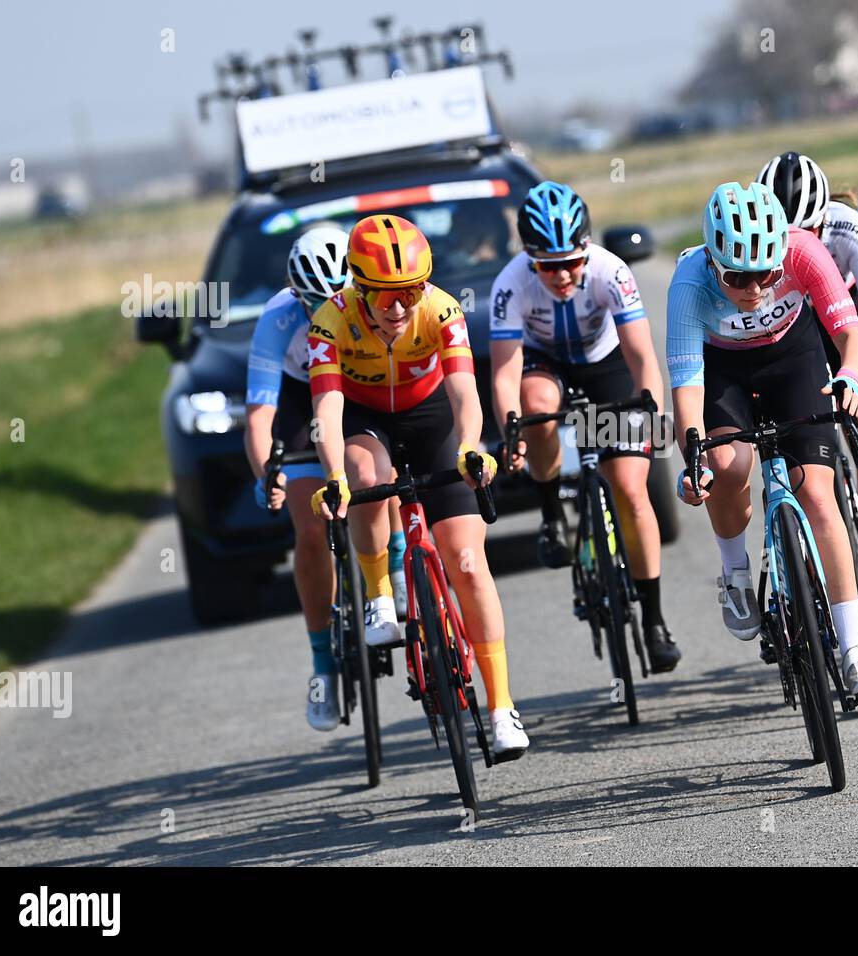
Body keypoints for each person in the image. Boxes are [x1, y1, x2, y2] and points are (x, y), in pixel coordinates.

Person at [306, 213, 530, 760]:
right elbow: (327, 409)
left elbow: (463, 390)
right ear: (358, 289)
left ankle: (502, 708)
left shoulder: (441, 308)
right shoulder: (328, 321)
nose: (400, 307)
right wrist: (332, 473)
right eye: (385, 297)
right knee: (363, 478)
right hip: (366, 422)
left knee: (469, 562)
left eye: (410, 291)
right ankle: (381, 597)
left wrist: (471, 445)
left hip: (431, 418)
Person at [667, 181, 858, 700]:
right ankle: (735, 572)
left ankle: (856, 652)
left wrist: (851, 378)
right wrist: (693, 457)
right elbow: (687, 391)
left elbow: (851, 336)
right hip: (724, 370)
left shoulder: (803, 252)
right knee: (728, 464)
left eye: (766, 273)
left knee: (817, 496)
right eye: (738, 277)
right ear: (713, 263)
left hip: (794, 357)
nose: (755, 288)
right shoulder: (689, 284)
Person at [489, 181, 679, 672]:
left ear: (587, 247)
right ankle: (553, 512)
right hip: (543, 362)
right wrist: (512, 431)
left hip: (605, 362)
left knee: (631, 490)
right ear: (530, 258)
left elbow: (640, 355)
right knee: (535, 403)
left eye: (572, 261)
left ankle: (655, 619)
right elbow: (506, 374)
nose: (562, 274)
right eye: (549, 266)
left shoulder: (610, 271)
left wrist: (649, 409)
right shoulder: (511, 284)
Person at [757, 152, 858, 638]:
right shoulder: (753, 240)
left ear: (824, 217)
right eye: (787, 233)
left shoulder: (848, 228)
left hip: (844, 331)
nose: (797, 245)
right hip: (787, 344)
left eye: (808, 231)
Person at [244, 225, 349, 731]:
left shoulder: (372, 305)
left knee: (386, 478)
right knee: (309, 529)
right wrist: (268, 474)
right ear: (295, 293)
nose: (323, 312)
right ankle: (323, 666)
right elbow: (261, 415)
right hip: (299, 407)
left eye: (337, 299)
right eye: (312, 302)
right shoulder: (278, 317)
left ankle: (393, 571)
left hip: (359, 394)